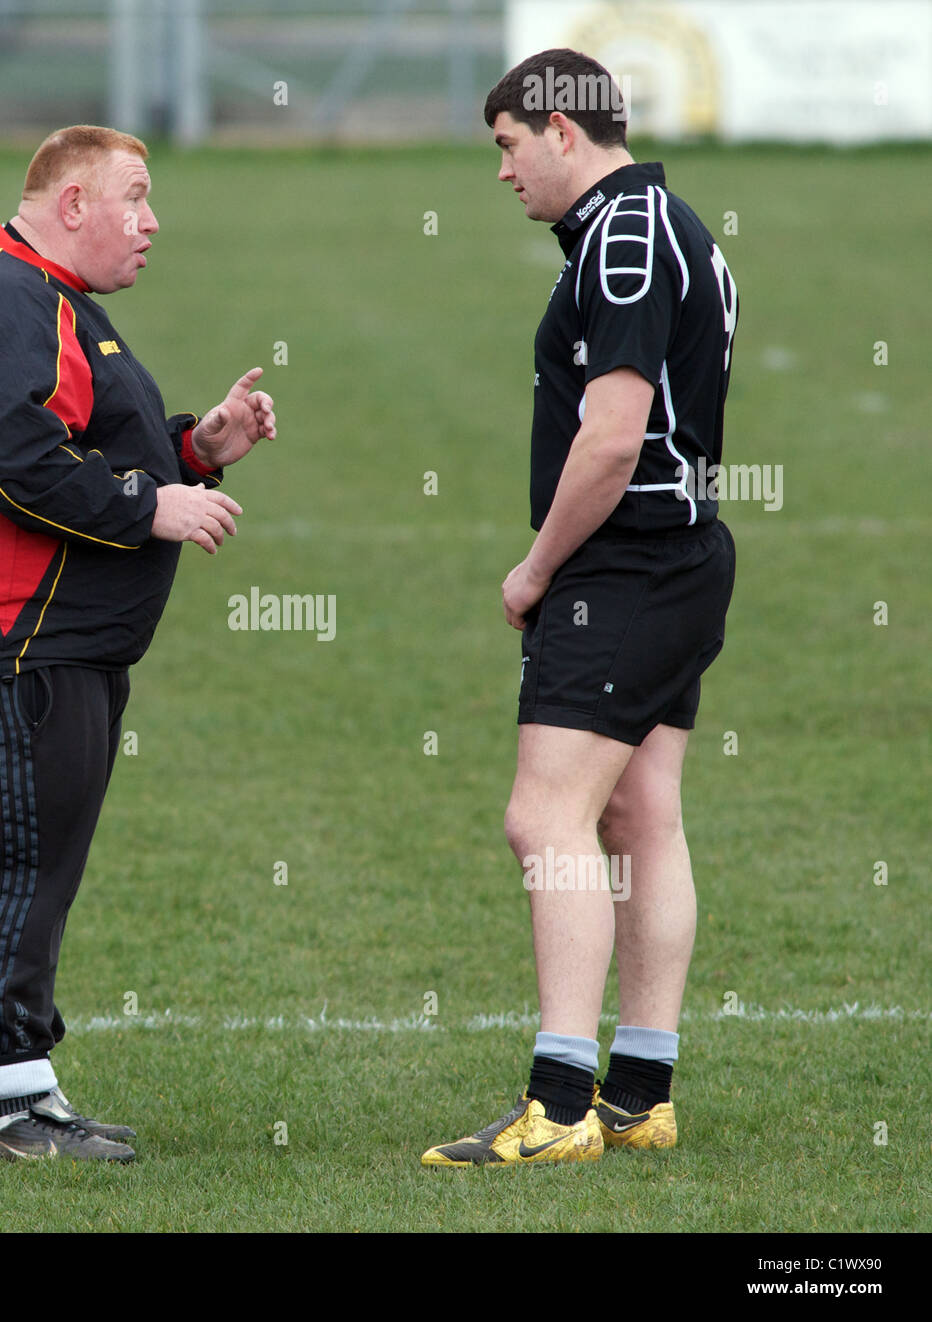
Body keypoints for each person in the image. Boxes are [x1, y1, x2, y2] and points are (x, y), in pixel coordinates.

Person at [0, 125, 276, 1162]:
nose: (152, 223)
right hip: (2, 642)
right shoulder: (13, 295)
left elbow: (83, 443)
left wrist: (196, 448)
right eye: (135, 199)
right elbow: (15, 459)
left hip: (47, 644)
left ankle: (24, 1093)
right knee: (13, 862)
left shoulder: (54, 301)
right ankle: (11, 1107)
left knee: (37, 860)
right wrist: (154, 505)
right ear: (69, 205)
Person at [421, 49, 738, 1167]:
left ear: (562, 128)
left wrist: (536, 567)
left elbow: (611, 438)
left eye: (507, 146)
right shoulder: (660, 221)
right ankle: (639, 1091)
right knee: (639, 814)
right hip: (672, 558)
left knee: (541, 819)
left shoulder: (625, 233)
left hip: (626, 565)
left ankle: (558, 1102)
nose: (502, 172)